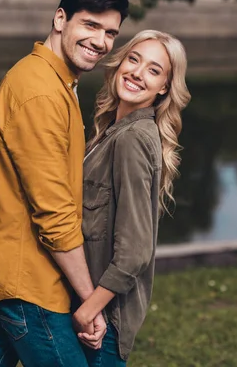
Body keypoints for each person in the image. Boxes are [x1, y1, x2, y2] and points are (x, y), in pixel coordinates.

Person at [0, 0, 129, 367]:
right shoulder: (40, 92)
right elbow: (54, 214)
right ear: (60, 19)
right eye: (90, 25)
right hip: (29, 284)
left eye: (110, 33)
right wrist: (89, 299)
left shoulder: (54, 82)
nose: (101, 42)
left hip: (10, 275)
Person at [72, 30, 191, 365]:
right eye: (134, 60)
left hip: (102, 321)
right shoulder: (113, 131)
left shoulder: (133, 138)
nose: (137, 73)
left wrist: (88, 311)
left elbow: (136, 251)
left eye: (154, 70)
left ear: (164, 87)